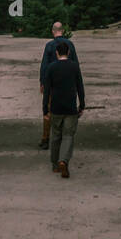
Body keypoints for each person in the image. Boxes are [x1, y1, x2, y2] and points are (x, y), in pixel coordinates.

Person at [42, 39, 85, 179]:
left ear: (56, 53)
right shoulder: (74, 67)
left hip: (56, 107)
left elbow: (47, 91)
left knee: (55, 136)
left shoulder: (51, 68)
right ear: (68, 52)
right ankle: (63, 160)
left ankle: (55, 165)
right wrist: (82, 104)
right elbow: (80, 87)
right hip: (70, 107)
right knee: (68, 136)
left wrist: (45, 110)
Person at [37, 21, 78, 149]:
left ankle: (45, 139)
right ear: (63, 30)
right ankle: (65, 139)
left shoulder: (49, 46)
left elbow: (44, 66)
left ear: (52, 31)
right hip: (69, 84)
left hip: (53, 84)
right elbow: (75, 65)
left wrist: (42, 82)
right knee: (68, 112)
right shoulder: (70, 45)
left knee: (48, 111)